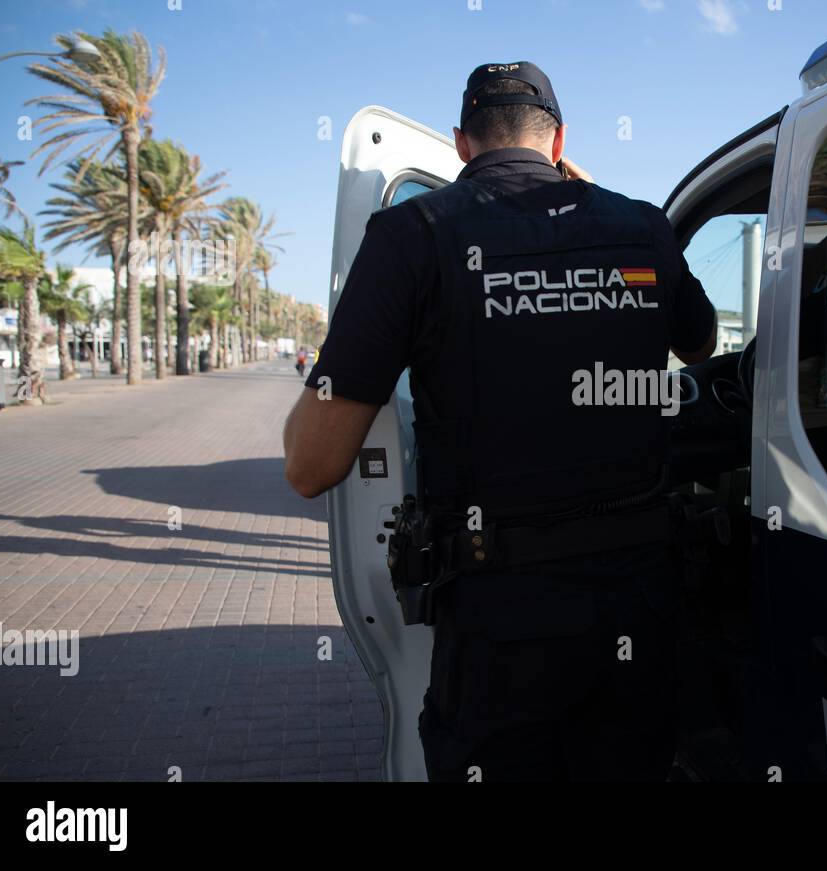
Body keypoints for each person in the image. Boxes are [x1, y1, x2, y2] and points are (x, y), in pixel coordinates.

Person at [282, 60, 717, 781]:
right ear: (559, 139)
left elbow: (311, 466)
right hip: (640, 608)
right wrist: (599, 210)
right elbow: (700, 345)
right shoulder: (642, 228)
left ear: (460, 143)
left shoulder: (412, 235)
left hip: (501, 624)